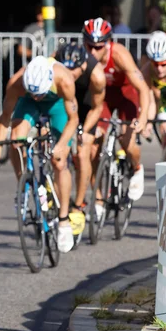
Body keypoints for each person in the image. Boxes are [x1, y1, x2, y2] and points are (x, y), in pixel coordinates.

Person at [0, 55, 80, 254]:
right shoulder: (17, 83)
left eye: (40, 93)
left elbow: (73, 119)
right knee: (16, 139)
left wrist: (62, 145)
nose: (38, 96)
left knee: (59, 161)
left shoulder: (64, 79)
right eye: (34, 92)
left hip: (57, 105)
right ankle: (23, 185)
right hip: (27, 103)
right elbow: (5, 117)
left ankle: (64, 220)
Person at [82, 17, 149, 202]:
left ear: (108, 43)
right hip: (102, 98)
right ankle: (98, 197)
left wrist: (143, 119)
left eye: (99, 47)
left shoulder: (119, 55)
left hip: (126, 94)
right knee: (94, 147)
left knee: (127, 142)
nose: (93, 52)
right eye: (89, 46)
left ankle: (137, 169)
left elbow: (143, 88)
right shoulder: (80, 56)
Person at [54, 42, 106, 229]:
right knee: (55, 149)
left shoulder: (97, 75)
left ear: (83, 66)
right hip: (64, 102)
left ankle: (78, 206)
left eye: (73, 71)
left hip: (87, 106)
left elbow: (97, 107)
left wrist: (84, 130)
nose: (69, 73)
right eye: (65, 68)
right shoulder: (54, 62)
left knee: (83, 150)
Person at [141, 31, 166, 155]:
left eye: (163, 64)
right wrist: (148, 122)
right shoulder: (147, 72)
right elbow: (151, 101)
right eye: (155, 64)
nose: (159, 69)